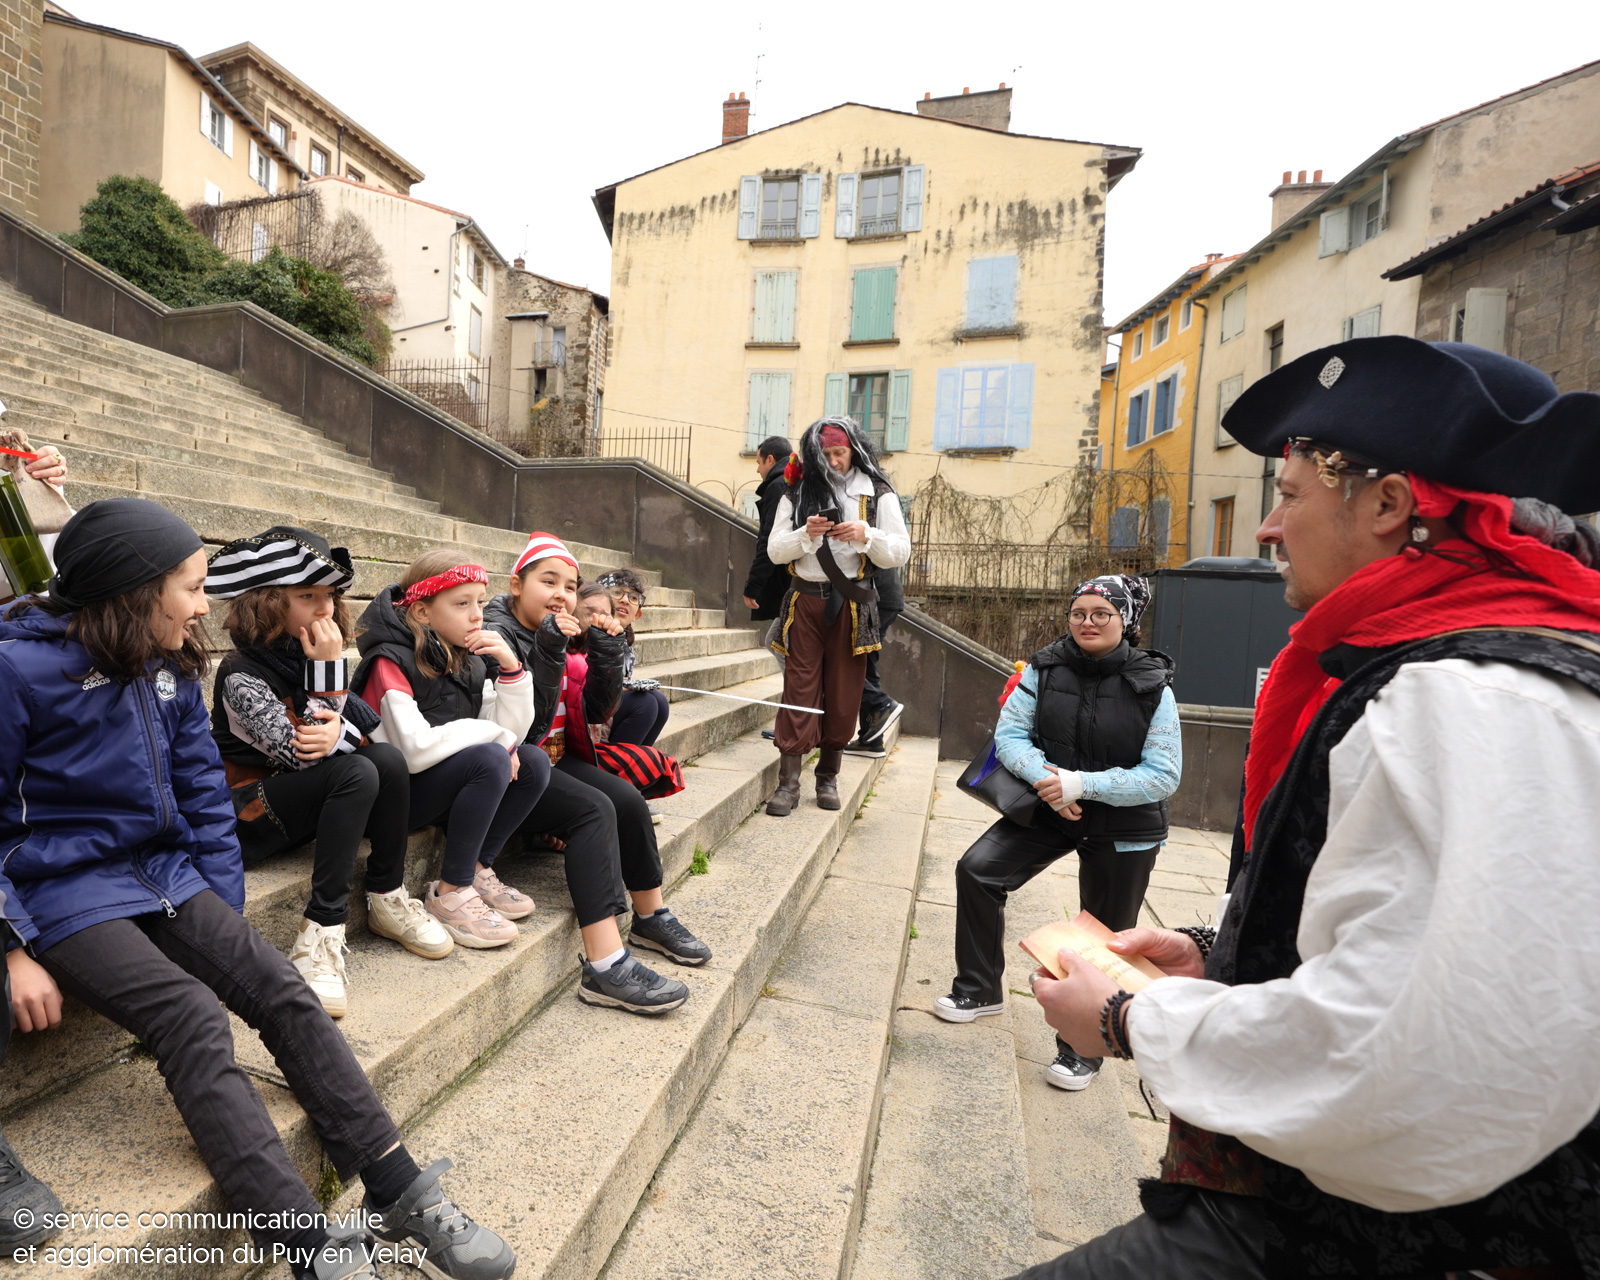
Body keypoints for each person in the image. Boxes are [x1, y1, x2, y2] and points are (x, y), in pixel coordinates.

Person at [1017, 337, 1600, 1280]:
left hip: (1373, 1238)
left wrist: (1131, 1020)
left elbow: (1413, 1048)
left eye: (1288, 496)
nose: (1266, 530)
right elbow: (1425, 924)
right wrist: (1223, 952)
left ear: (1388, 503)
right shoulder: (1459, 666)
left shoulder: (1470, 697)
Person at [0, 498, 515, 1280]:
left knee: (278, 985)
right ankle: (307, 1246)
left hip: (164, 876)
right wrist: (11, 943)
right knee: (190, 1014)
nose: (203, 605)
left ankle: (399, 1188)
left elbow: (204, 796)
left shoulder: (165, 662)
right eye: (190, 587)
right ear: (135, 592)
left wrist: (223, 915)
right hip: (62, 891)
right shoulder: (15, 670)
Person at [934, 575, 1179, 1094]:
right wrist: (1051, 784)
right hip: (1050, 806)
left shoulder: (1153, 685)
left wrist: (1081, 785)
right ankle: (979, 989)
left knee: (1108, 936)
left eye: (1101, 614)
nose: (1087, 622)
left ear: (1126, 622)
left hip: (1124, 825)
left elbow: (1162, 775)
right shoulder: (1044, 668)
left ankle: (1082, 1049)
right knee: (977, 871)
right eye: (1078, 613)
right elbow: (1010, 735)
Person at [206, 527, 450, 1017]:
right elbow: (304, 753)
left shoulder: (309, 661)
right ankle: (319, 932)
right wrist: (331, 687)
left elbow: (375, 734)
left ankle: (386, 893)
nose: (324, 609)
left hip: (304, 803)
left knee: (385, 761)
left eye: (329, 596)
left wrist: (340, 720)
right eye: (306, 596)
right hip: (250, 813)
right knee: (357, 771)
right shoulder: (239, 673)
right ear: (265, 602)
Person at [484, 533, 709, 1015]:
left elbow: (597, 711)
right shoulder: (495, 633)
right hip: (511, 769)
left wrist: (606, 650)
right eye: (549, 581)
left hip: (555, 757)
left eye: (571, 584)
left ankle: (650, 914)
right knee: (594, 810)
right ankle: (606, 966)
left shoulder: (556, 632)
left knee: (626, 798)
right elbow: (527, 726)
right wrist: (546, 649)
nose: (562, 593)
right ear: (516, 585)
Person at [352, 551, 549, 950]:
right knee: (492, 754)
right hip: (391, 803)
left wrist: (511, 669)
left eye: (480, 601)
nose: (477, 615)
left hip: (439, 787)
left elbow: (512, 733)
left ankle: (475, 868)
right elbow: (412, 750)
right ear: (422, 612)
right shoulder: (388, 661)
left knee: (533, 763)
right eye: (462, 604)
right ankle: (450, 893)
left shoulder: (469, 661)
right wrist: (493, 737)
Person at [764, 416, 910, 816]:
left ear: (853, 450)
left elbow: (900, 552)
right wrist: (805, 534)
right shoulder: (796, 493)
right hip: (805, 603)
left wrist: (867, 536)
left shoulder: (878, 493)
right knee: (799, 692)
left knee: (845, 694)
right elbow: (776, 551)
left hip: (852, 606)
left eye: (839, 452)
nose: (833, 461)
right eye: (825, 454)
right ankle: (788, 784)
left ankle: (827, 778)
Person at [593, 568, 671, 750]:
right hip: (589, 720)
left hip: (608, 713)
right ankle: (611, 769)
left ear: (637, 615)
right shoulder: (586, 635)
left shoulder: (626, 649)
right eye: (617, 592)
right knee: (644, 703)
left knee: (659, 701)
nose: (624, 600)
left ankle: (633, 766)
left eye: (633, 597)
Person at [842, 562, 905, 759]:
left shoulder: (861, 530)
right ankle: (871, 741)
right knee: (866, 663)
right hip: (886, 595)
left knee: (844, 662)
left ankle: (881, 703)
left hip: (872, 597)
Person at [741, 434, 793, 622]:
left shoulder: (777, 486)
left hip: (784, 580)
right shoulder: (794, 481)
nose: (757, 470)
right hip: (796, 579)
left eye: (759, 462)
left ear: (770, 459)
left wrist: (753, 586)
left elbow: (769, 540)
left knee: (780, 641)